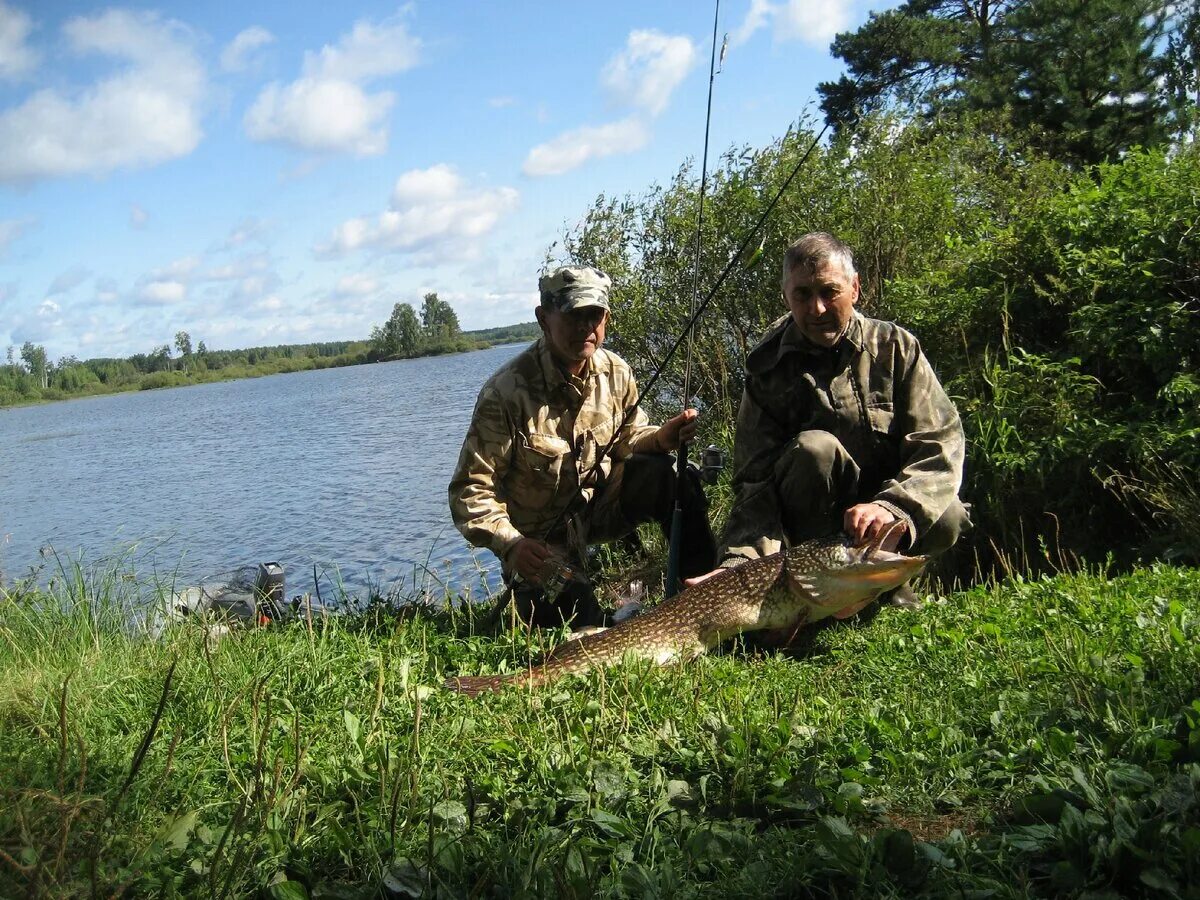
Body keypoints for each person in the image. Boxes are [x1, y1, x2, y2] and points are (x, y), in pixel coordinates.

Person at [703, 232, 969, 616]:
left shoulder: (896, 348)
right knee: (816, 448)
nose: (818, 308)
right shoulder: (767, 372)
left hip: (883, 519)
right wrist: (736, 571)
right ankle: (817, 593)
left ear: (855, 288)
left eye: (830, 292)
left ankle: (885, 586)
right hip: (814, 538)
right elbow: (754, 484)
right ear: (786, 297)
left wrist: (892, 508)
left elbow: (939, 445)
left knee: (949, 517)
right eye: (803, 295)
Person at [449, 265, 717, 628]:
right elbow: (471, 490)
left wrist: (660, 438)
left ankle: (703, 596)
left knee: (671, 474)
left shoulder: (616, 371)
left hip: (600, 510)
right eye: (574, 315)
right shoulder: (506, 393)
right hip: (540, 543)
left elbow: (628, 439)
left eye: (595, 315)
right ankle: (584, 606)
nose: (585, 327)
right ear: (544, 319)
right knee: (574, 614)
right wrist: (511, 545)